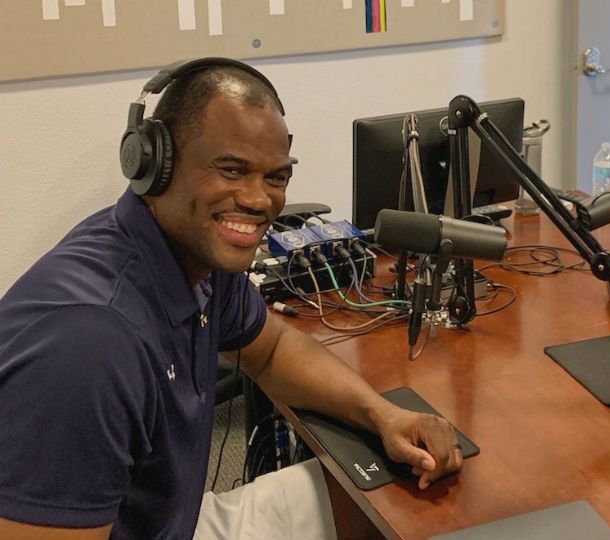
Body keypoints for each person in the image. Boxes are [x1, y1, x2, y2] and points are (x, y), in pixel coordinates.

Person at [0, 58, 463, 540]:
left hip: (170, 522)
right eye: (231, 170)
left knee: (370, 499)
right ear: (155, 165)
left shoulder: (196, 257)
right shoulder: (89, 347)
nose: (259, 200)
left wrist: (383, 415)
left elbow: (273, 349)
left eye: (276, 178)